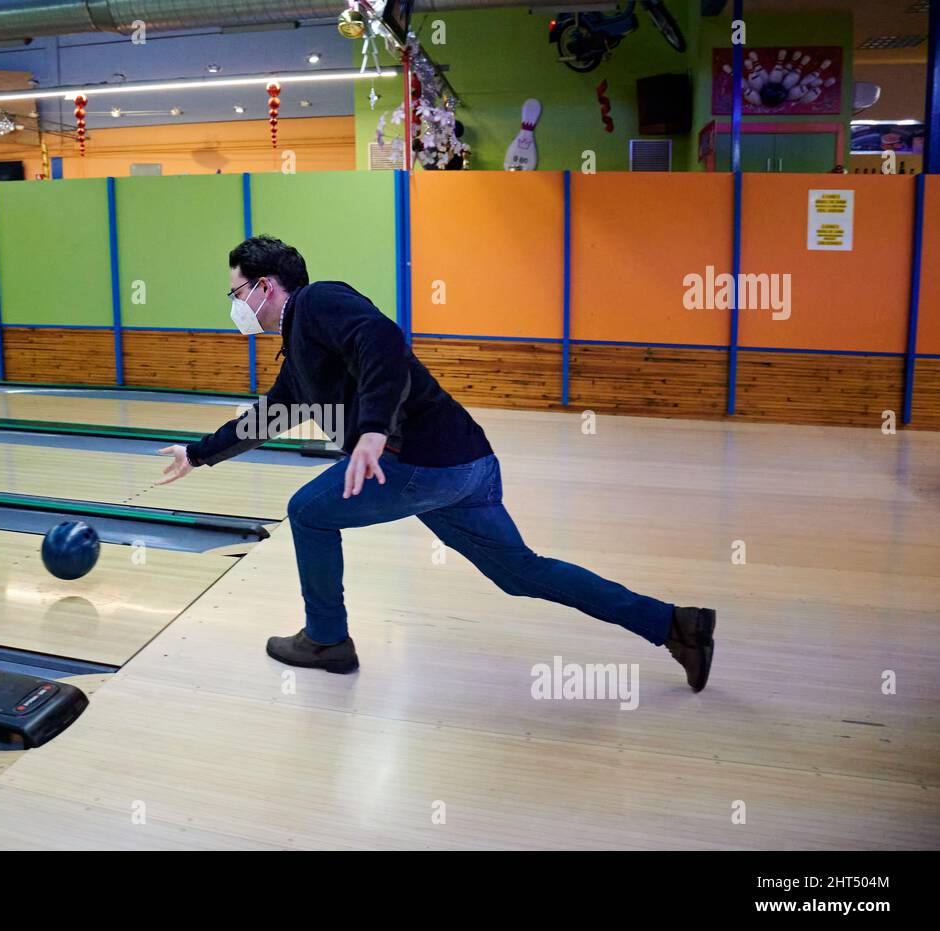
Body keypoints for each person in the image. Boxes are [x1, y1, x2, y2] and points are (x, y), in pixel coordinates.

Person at [157, 235, 716, 690]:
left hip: (419, 463)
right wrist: (199, 454)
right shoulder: (301, 347)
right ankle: (675, 624)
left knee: (307, 512)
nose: (234, 306)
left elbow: (382, 340)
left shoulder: (319, 301)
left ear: (264, 285)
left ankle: (327, 639)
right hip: (465, 464)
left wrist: (374, 429)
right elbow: (274, 413)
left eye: (235, 292)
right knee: (522, 574)